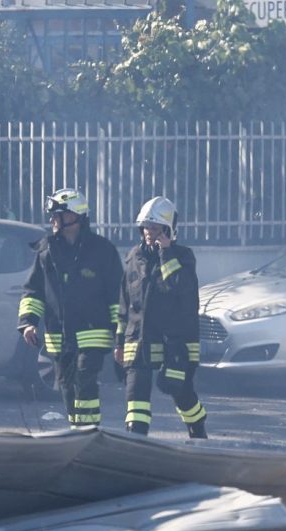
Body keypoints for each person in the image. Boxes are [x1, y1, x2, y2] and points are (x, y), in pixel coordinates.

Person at [17, 188, 123, 430]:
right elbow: (33, 291)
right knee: (66, 386)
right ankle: (77, 430)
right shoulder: (47, 251)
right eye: (53, 216)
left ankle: (88, 434)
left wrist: (120, 335)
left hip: (93, 332)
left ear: (75, 216)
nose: (53, 220)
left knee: (85, 381)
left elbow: (118, 297)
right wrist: (28, 321)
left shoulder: (102, 251)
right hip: (58, 336)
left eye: (58, 215)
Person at [118, 196, 208, 439]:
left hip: (174, 343)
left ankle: (198, 431)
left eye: (156, 228)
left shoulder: (183, 256)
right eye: (146, 227)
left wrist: (165, 254)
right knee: (136, 399)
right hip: (139, 341)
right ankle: (136, 441)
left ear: (168, 230)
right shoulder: (134, 257)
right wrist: (119, 341)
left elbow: (180, 287)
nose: (149, 233)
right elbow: (125, 303)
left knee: (182, 394)